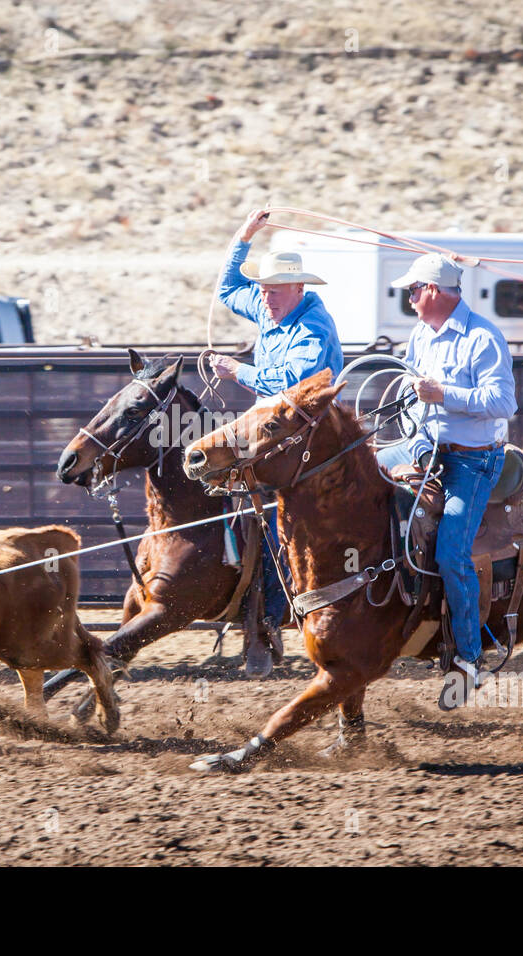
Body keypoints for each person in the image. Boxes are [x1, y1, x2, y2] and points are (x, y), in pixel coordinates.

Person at [380, 253, 518, 710]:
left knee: (452, 548)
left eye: (414, 291)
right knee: (356, 472)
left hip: (472, 461)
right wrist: (410, 425)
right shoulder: (422, 334)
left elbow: (502, 402)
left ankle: (469, 657)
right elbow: (408, 388)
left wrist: (444, 395)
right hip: (427, 447)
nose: (410, 299)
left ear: (434, 291)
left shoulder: (482, 337)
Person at [211, 208, 345, 677]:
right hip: (274, 429)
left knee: (269, 512)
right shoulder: (274, 307)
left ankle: (269, 618)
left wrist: (238, 370)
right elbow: (229, 290)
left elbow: (294, 379)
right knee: (224, 478)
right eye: (263, 290)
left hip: (308, 436)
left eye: (272, 290)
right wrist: (243, 236)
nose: (263, 299)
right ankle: (241, 594)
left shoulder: (312, 327)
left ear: (298, 289)